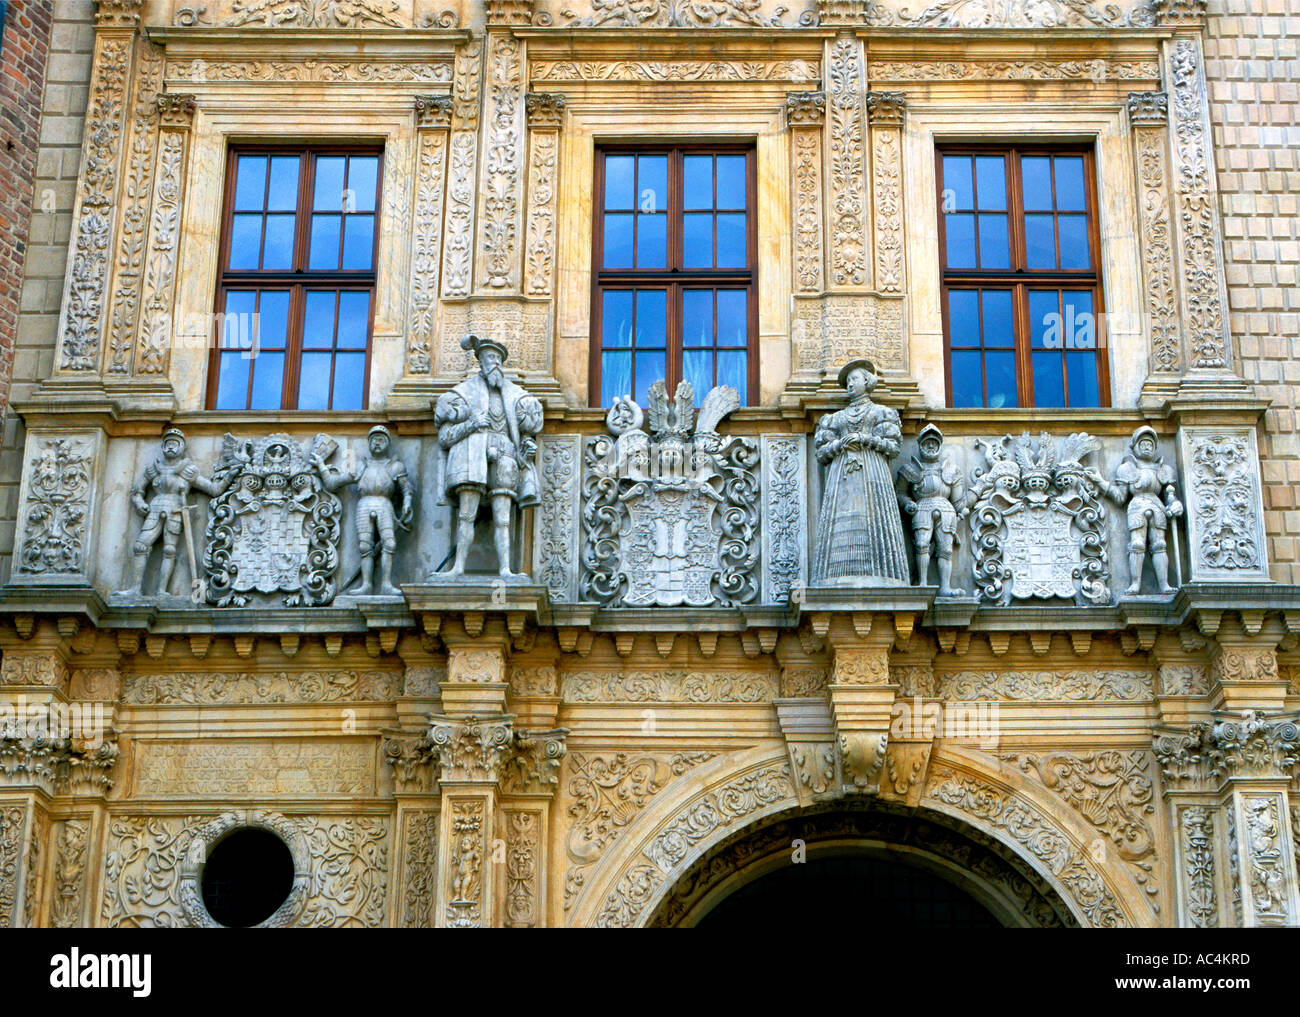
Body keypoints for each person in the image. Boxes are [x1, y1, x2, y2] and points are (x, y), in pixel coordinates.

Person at [434, 334, 543, 577]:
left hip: (505, 455)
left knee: (503, 516)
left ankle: (505, 569)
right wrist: (472, 424)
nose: (494, 362)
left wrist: (526, 448)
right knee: (466, 514)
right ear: (480, 361)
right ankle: (458, 568)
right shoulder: (463, 393)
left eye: (498, 358)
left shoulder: (515, 395)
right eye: (489, 357)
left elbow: (527, 430)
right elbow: (445, 437)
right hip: (472, 457)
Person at [811, 359, 910, 584]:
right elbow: (821, 452)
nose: (849, 384)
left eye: (853, 378)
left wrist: (865, 438)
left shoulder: (882, 413)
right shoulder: (835, 419)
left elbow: (893, 447)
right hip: (842, 478)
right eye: (847, 381)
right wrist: (840, 445)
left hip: (874, 473)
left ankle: (882, 576)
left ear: (867, 380)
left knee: (874, 520)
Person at [119, 428, 224, 597]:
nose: (171, 447)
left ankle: (162, 590)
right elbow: (137, 490)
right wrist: (139, 503)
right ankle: (135, 588)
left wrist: (231, 474)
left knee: (169, 550)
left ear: (181, 447)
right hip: (155, 506)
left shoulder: (187, 470)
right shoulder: (154, 468)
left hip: (175, 509)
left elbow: (213, 489)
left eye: (175, 444)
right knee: (140, 546)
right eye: (168, 443)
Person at [316, 425, 414, 595]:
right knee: (364, 546)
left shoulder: (395, 466)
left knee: (389, 543)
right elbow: (333, 483)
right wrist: (321, 466)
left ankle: (386, 585)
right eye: (374, 440)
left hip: (384, 503)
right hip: (364, 503)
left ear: (387, 443)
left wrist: (407, 503)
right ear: (369, 443)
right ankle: (367, 585)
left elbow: (406, 488)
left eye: (381, 440)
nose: (377, 443)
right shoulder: (361, 465)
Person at [1088, 425, 1183, 595]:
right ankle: (1135, 584)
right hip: (1137, 505)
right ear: (1135, 446)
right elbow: (1119, 497)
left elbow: (1170, 495)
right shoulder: (1127, 469)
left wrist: (1175, 503)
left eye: (1150, 443)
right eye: (1143, 443)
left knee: (1159, 544)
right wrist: (1101, 483)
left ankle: (1164, 585)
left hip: (1157, 506)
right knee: (1137, 544)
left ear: (1155, 447)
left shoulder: (1164, 469)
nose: (1147, 446)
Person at [896, 423, 966, 596]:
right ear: (920, 445)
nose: (930, 446)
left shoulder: (952, 470)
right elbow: (900, 492)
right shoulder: (910, 469)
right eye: (927, 442)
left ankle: (945, 587)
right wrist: (907, 503)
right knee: (921, 544)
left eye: (934, 443)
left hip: (945, 508)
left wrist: (963, 508)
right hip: (922, 506)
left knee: (946, 549)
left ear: (939, 446)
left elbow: (958, 501)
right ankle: (922, 583)